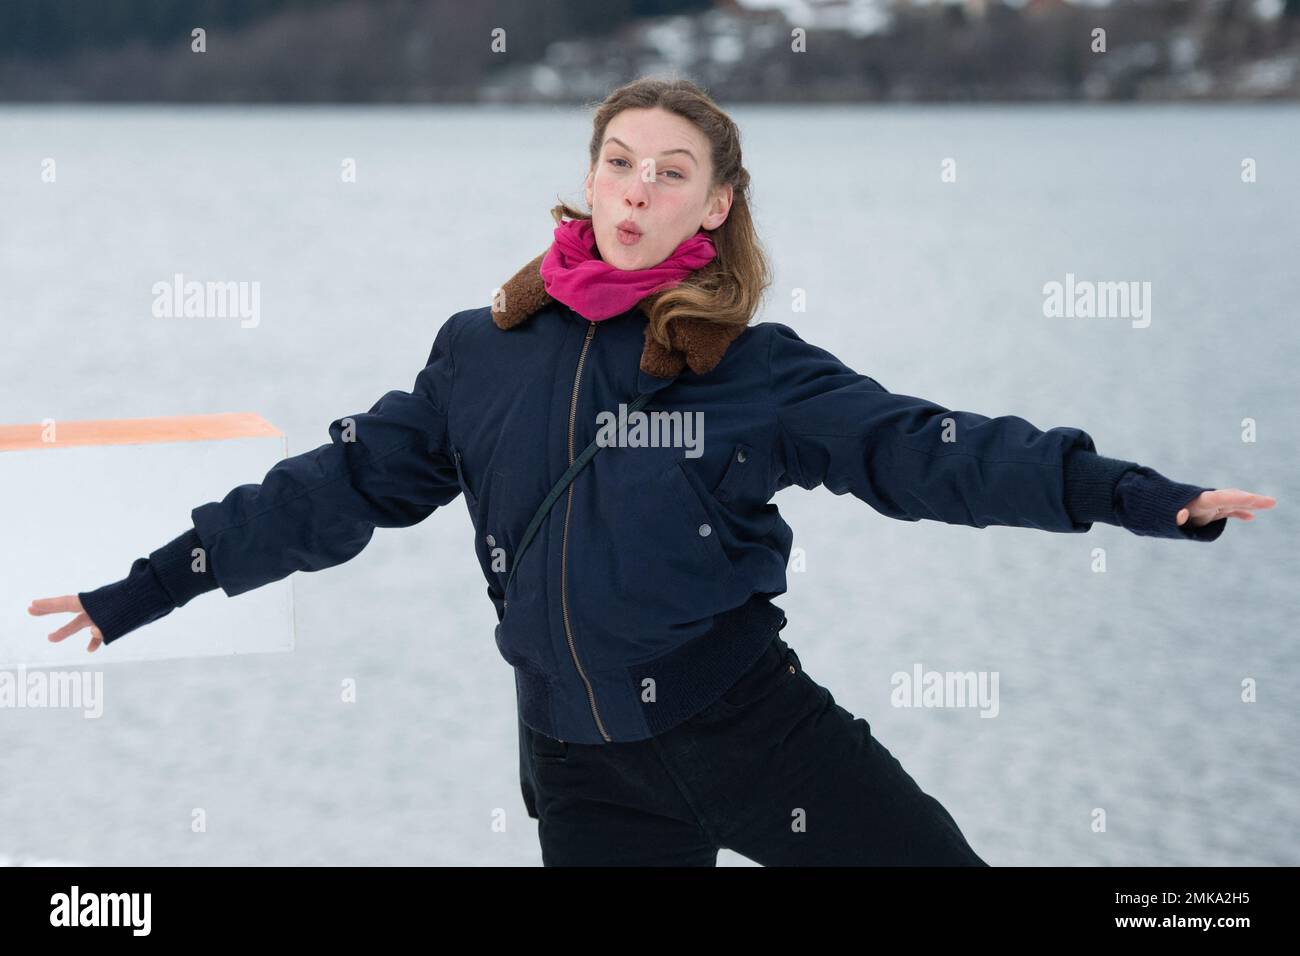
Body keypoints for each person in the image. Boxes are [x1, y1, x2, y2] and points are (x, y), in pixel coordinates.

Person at [30, 77, 1275, 866]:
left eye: (671, 171)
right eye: (619, 160)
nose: (638, 187)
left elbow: (929, 451)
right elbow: (332, 488)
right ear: (587, 180)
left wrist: (1137, 495)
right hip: (580, 770)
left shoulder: (753, 370)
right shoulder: (482, 352)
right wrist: (148, 586)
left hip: (754, 736)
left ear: (715, 206)